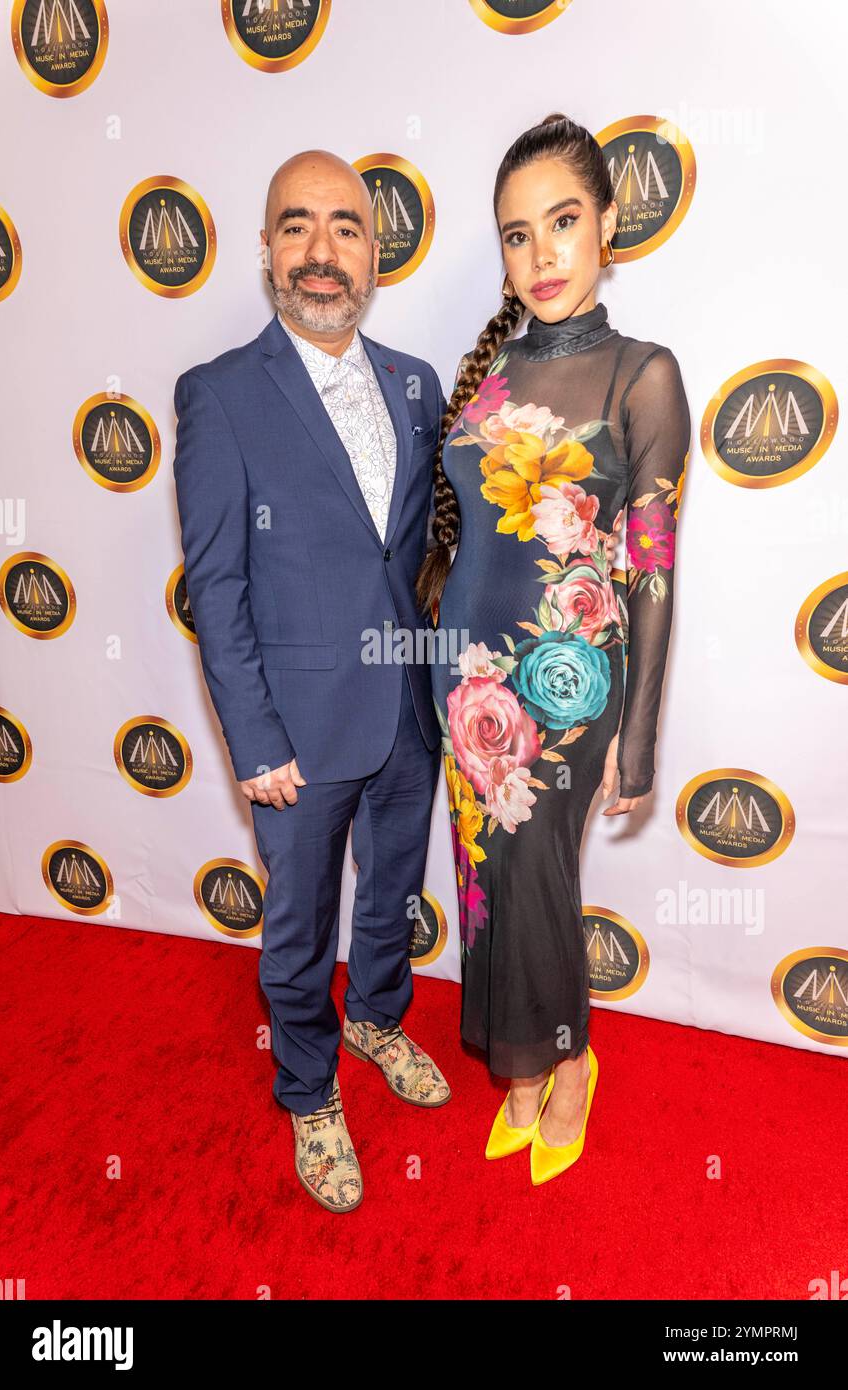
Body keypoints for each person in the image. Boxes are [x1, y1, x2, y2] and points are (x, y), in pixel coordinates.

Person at [172, 150, 452, 1215]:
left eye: (344, 226)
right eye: (297, 225)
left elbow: (425, 548)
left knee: (390, 894)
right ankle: (306, 1085)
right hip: (293, 727)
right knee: (300, 923)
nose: (321, 250)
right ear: (265, 249)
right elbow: (216, 584)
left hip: (408, 704)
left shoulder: (417, 382)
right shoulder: (219, 395)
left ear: (372, 253)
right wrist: (253, 742)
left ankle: (377, 1016)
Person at [420, 113, 691, 1187]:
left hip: (567, 675)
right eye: (516, 234)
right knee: (482, 873)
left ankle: (568, 1061)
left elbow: (653, 566)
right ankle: (519, 1067)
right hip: (463, 676)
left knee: (534, 869)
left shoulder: (643, 374)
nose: (538, 255)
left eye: (561, 223)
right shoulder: (483, 373)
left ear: (608, 227)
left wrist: (638, 736)